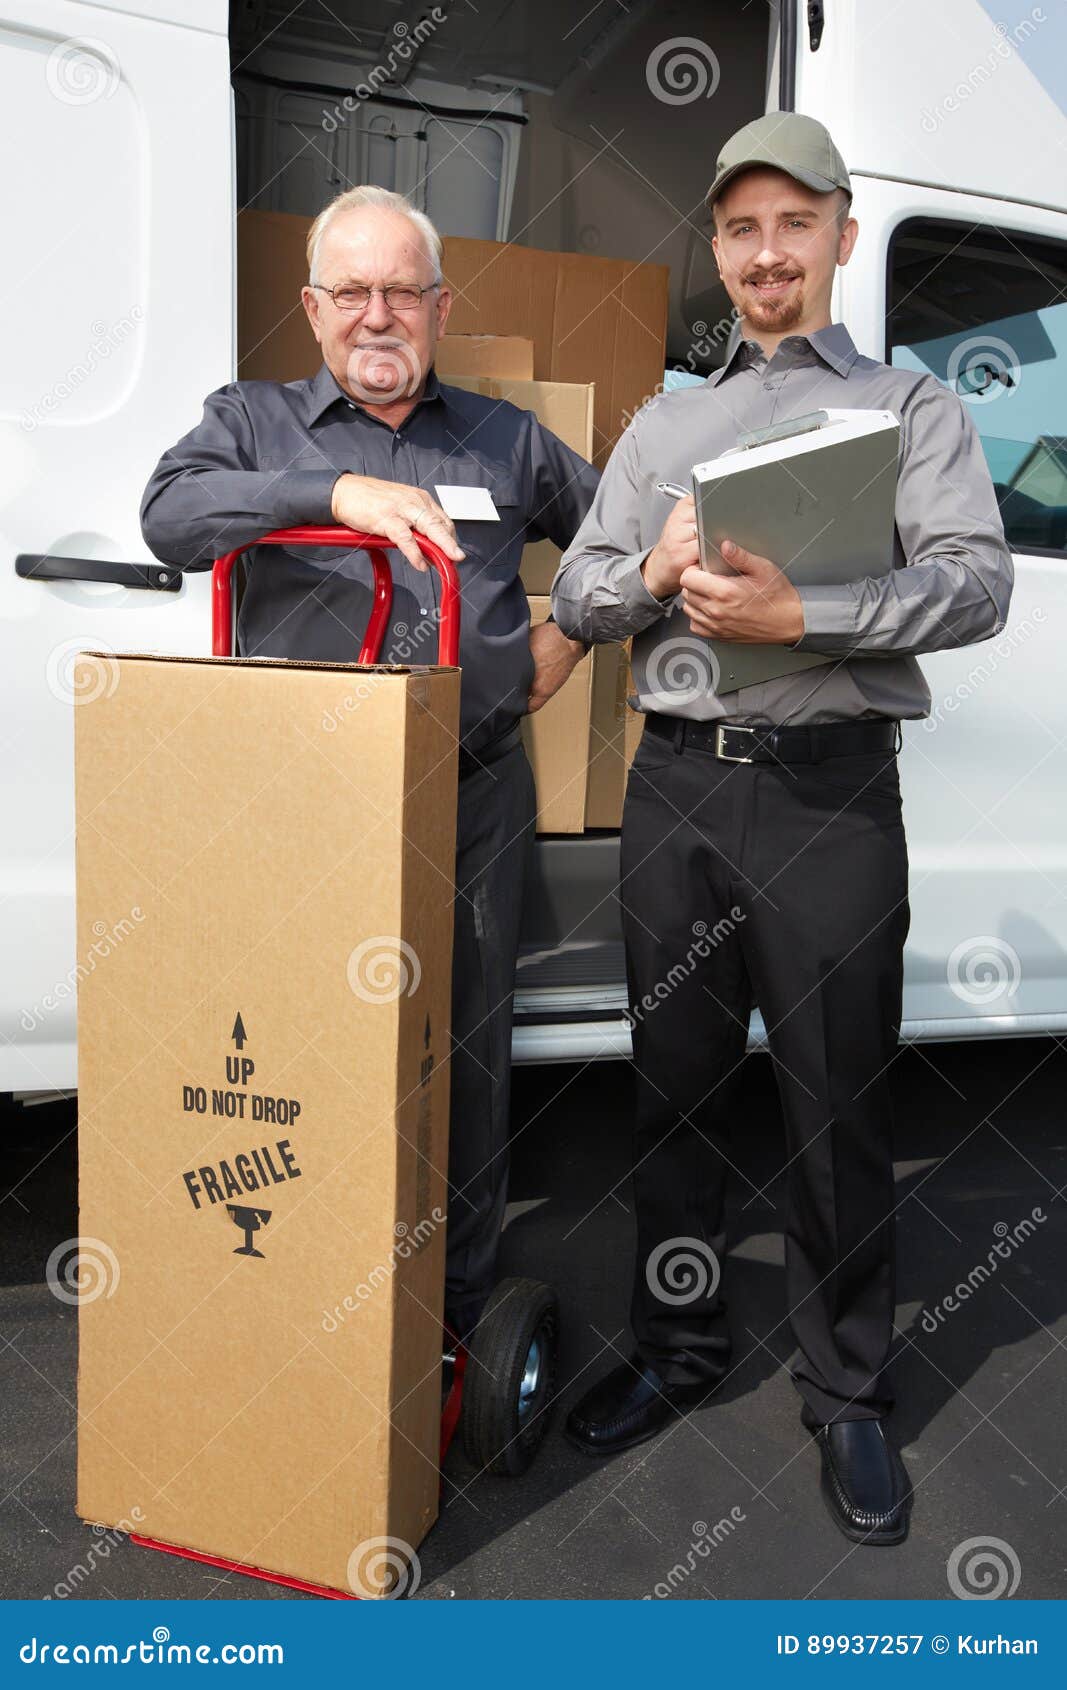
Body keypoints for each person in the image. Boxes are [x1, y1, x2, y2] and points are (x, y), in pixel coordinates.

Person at [551, 113, 1013, 1545]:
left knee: (836, 1105)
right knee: (672, 1095)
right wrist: (651, 569)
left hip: (826, 799)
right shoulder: (664, 420)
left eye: (792, 223)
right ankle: (680, 1347)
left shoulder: (907, 407)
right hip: (677, 790)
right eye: (741, 227)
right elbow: (572, 598)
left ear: (838, 235)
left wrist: (799, 613)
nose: (766, 251)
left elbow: (973, 583)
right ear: (719, 246)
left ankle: (848, 1393)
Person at [141, 184, 598, 1344]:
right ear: (311, 307)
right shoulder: (248, 420)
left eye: (401, 290)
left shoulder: (504, 438)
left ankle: (451, 1310)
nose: (377, 314)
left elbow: (613, 535)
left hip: (470, 790)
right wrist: (328, 490)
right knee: (297, 1043)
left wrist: (566, 634)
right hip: (297, 805)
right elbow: (169, 517)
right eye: (352, 292)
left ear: (440, 309)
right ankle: (304, 1286)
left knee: (465, 1048)